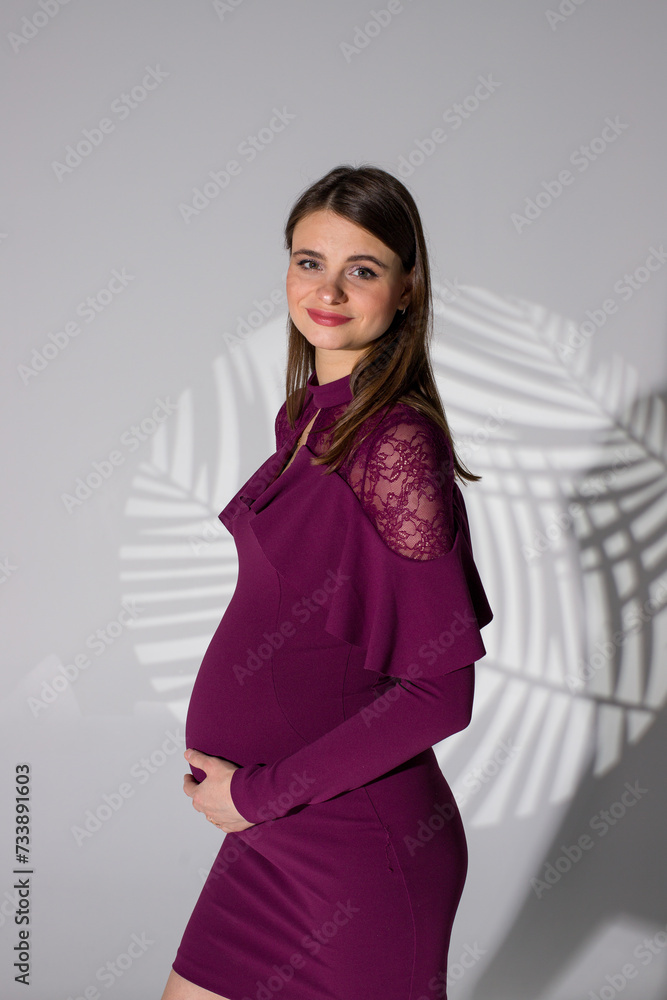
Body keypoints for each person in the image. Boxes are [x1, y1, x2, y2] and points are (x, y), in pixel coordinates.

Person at [161, 164, 493, 1000]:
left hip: (355, 852)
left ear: (407, 289)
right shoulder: (309, 416)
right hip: (269, 842)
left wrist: (262, 794)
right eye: (310, 261)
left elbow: (440, 692)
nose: (330, 290)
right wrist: (258, 806)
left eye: (363, 269)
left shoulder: (393, 446)